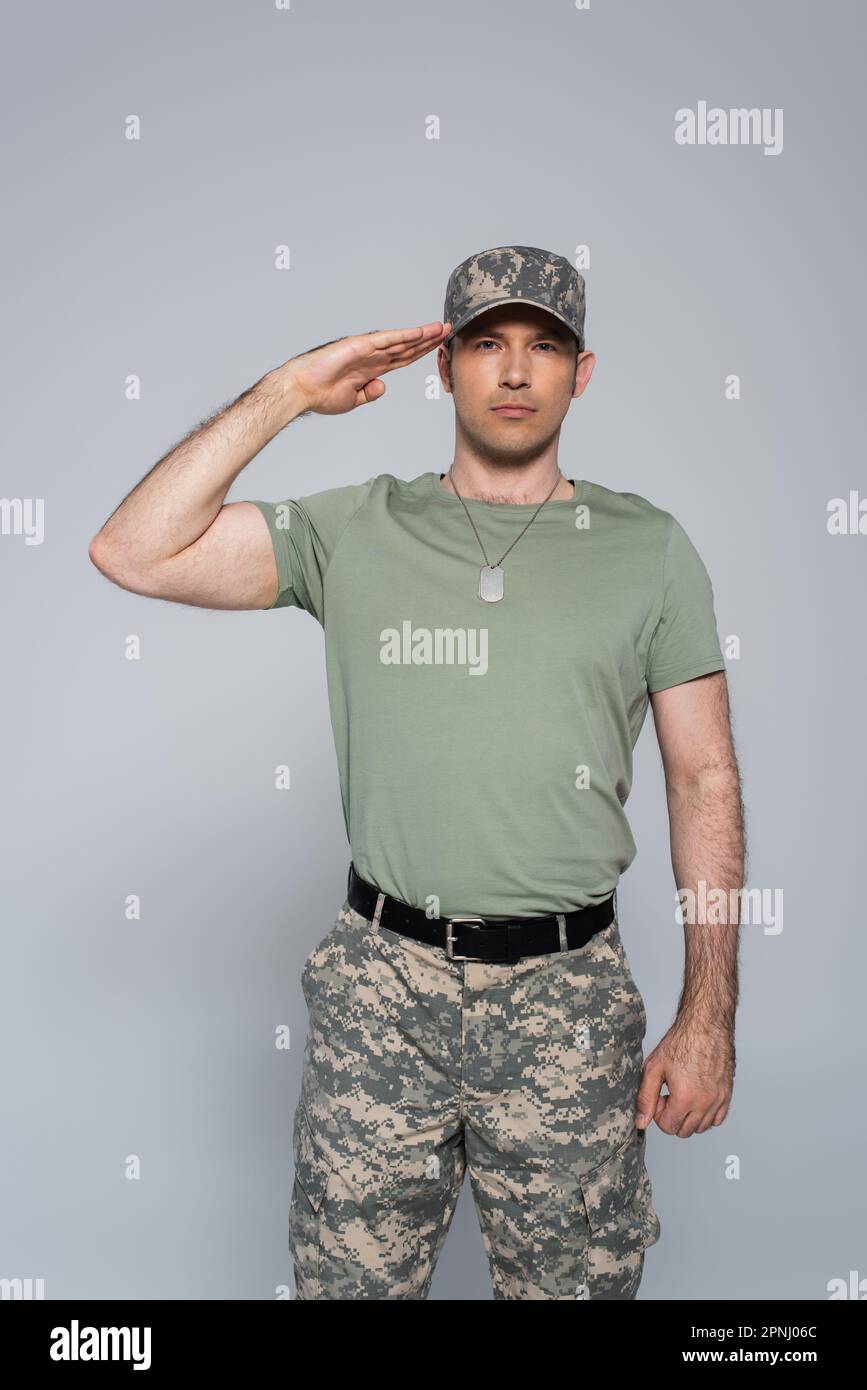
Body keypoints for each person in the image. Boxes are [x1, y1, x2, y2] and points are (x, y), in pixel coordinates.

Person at [89, 244, 744, 1300]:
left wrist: (709, 1013)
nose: (517, 372)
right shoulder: (358, 528)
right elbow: (134, 549)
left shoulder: (649, 548)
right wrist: (291, 391)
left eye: (544, 347)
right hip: (381, 991)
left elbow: (704, 777)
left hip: (568, 1002)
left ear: (585, 373)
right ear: (443, 368)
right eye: (487, 344)